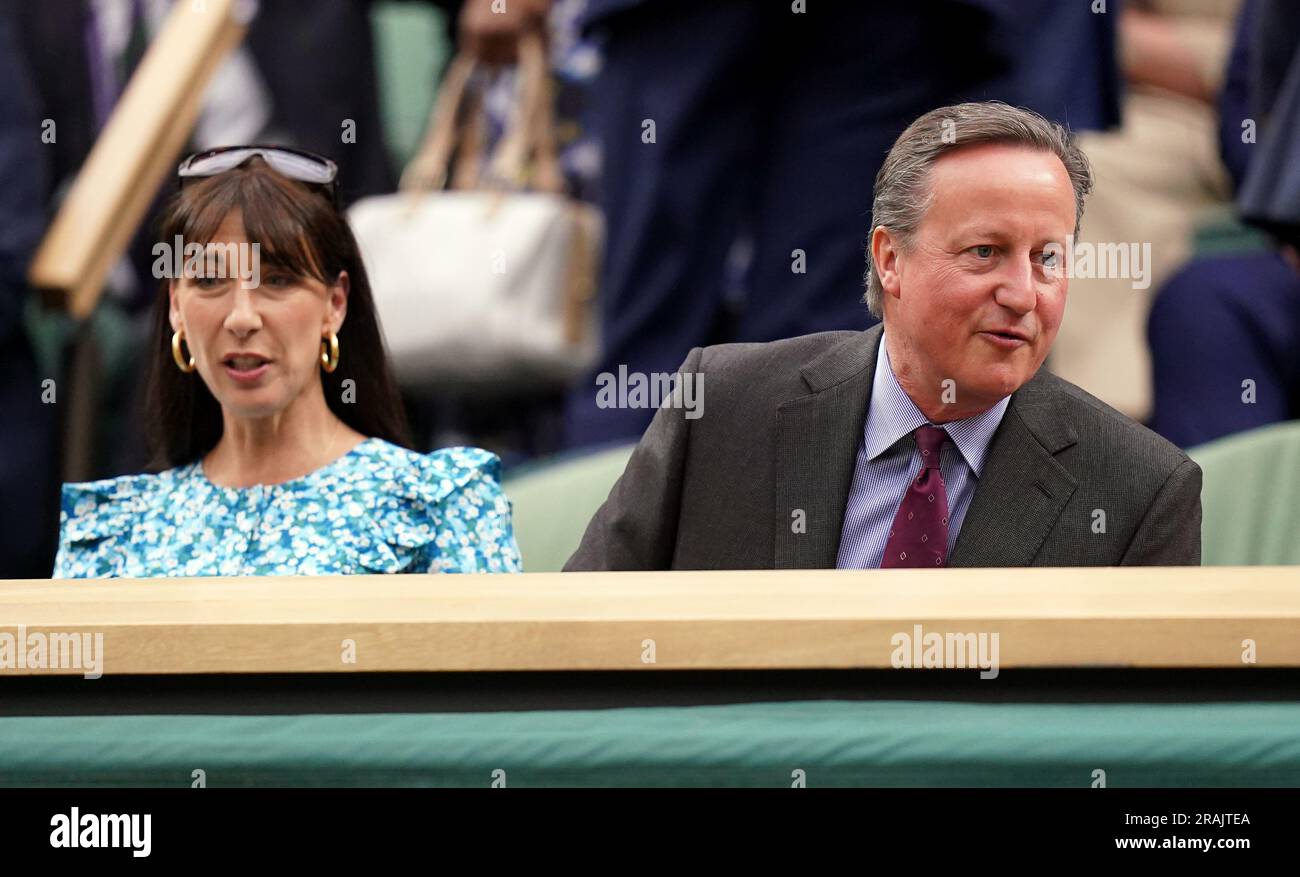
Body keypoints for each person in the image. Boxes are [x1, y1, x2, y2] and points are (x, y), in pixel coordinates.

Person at [566, 102, 1202, 571]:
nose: (1022, 293)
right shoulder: (724, 406)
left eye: (1048, 259)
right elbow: (578, 635)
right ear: (890, 260)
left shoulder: (1140, 488)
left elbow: (1143, 738)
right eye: (985, 252)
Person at [53, 147, 521, 578]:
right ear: (176, 304)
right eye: (210, 282)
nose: (241, 317)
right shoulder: (112, 535)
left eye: (276, 280)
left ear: (335, 303)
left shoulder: (439, 509)